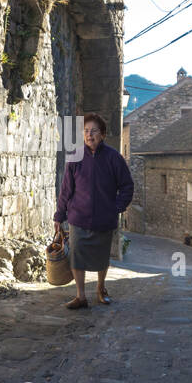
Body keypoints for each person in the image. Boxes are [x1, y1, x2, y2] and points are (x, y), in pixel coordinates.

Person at [53, 113, 134, 310]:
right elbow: (66, 190)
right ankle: (81, 296)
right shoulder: (75, 157)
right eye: (86, 131)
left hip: (104, 219)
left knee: (101, 258)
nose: (90, 135)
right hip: (78, 217)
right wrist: (59, 215)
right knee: (77, 256)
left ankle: (100, 288)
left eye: (94, 131)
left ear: (103, 134)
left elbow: (127, 186)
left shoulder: (114, 158)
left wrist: (115, 208)